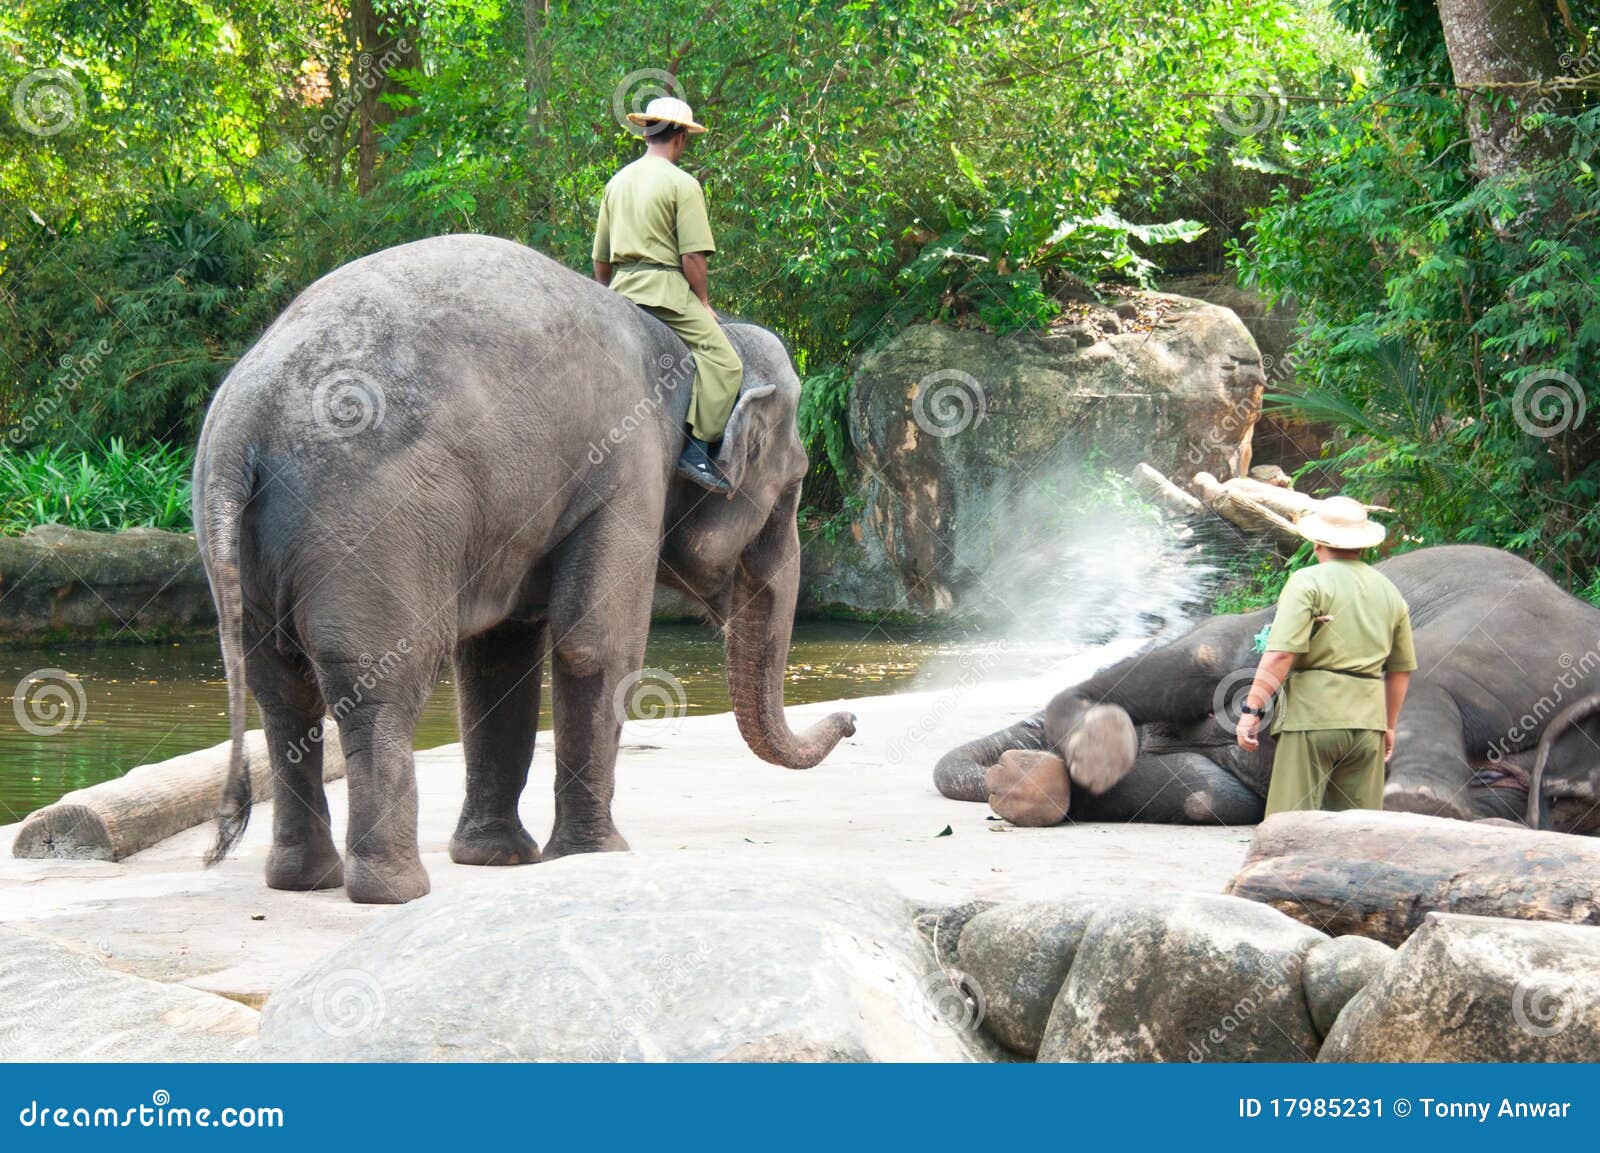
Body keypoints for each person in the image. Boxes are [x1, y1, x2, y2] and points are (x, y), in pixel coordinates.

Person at [592, 94, 742, 493]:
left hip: (622, 291)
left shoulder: (616, 182)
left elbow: (601, 259)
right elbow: (692, 255)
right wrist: (704, 303)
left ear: (646, 132)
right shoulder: (683, 183)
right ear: (680, 139)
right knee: (725, 363)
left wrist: (606, 298)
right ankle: (695, 450)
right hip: (664, 292)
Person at [1235, 496, 1416, 815]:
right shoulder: (1390, 591)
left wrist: (1252, 709)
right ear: (1362, 544)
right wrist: (1388, 726)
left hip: (1312, 718)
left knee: (1290, 825)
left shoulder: (1307, 581)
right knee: (1356, 831)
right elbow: (1401, 670)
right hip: (1367, 724)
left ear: (1318, 542)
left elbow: (1280, 655)